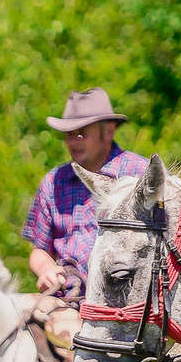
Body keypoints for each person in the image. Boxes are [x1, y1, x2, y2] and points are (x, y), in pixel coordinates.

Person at [22, 87, 149, 348]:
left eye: (83, 133)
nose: (75, 140)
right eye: (70, 134)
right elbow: (39, 250)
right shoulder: (54, 182)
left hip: (127, 304)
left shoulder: (140, 173)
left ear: (109, 131)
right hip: (66, 300)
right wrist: (46, 269)